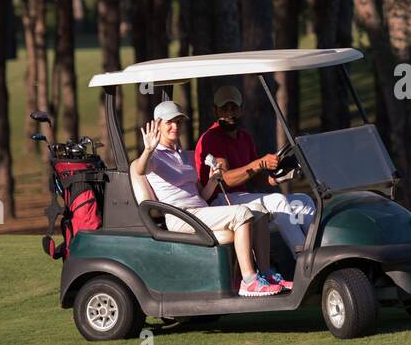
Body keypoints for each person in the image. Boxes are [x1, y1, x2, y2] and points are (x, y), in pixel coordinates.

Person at [131, 100, 290, 297]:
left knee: (259, 212)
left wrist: (214, 180)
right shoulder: (154, 156)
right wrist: (147, 149)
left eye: (179, 122)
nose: (175, 127)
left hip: (199, 211)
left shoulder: (184, 155)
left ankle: (266, 273)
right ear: (158, 125)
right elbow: (140, 169)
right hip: (181, 217)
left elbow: (202, 195)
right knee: (242, 213)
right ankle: (248, 280)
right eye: (169, 122)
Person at [194, 84, 315, 252]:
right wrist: (259, 163)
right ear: (216, 111)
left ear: (241, 110)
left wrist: (276, 177)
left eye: (234, 108)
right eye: (224, 109)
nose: (229, 114)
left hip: (242, 198)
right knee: (277, 201)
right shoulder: (211, 138)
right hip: (219, 202)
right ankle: (304, 257)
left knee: (303, 201)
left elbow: (255, 176)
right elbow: (225, 179)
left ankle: (316, 249)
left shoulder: (245, 137)